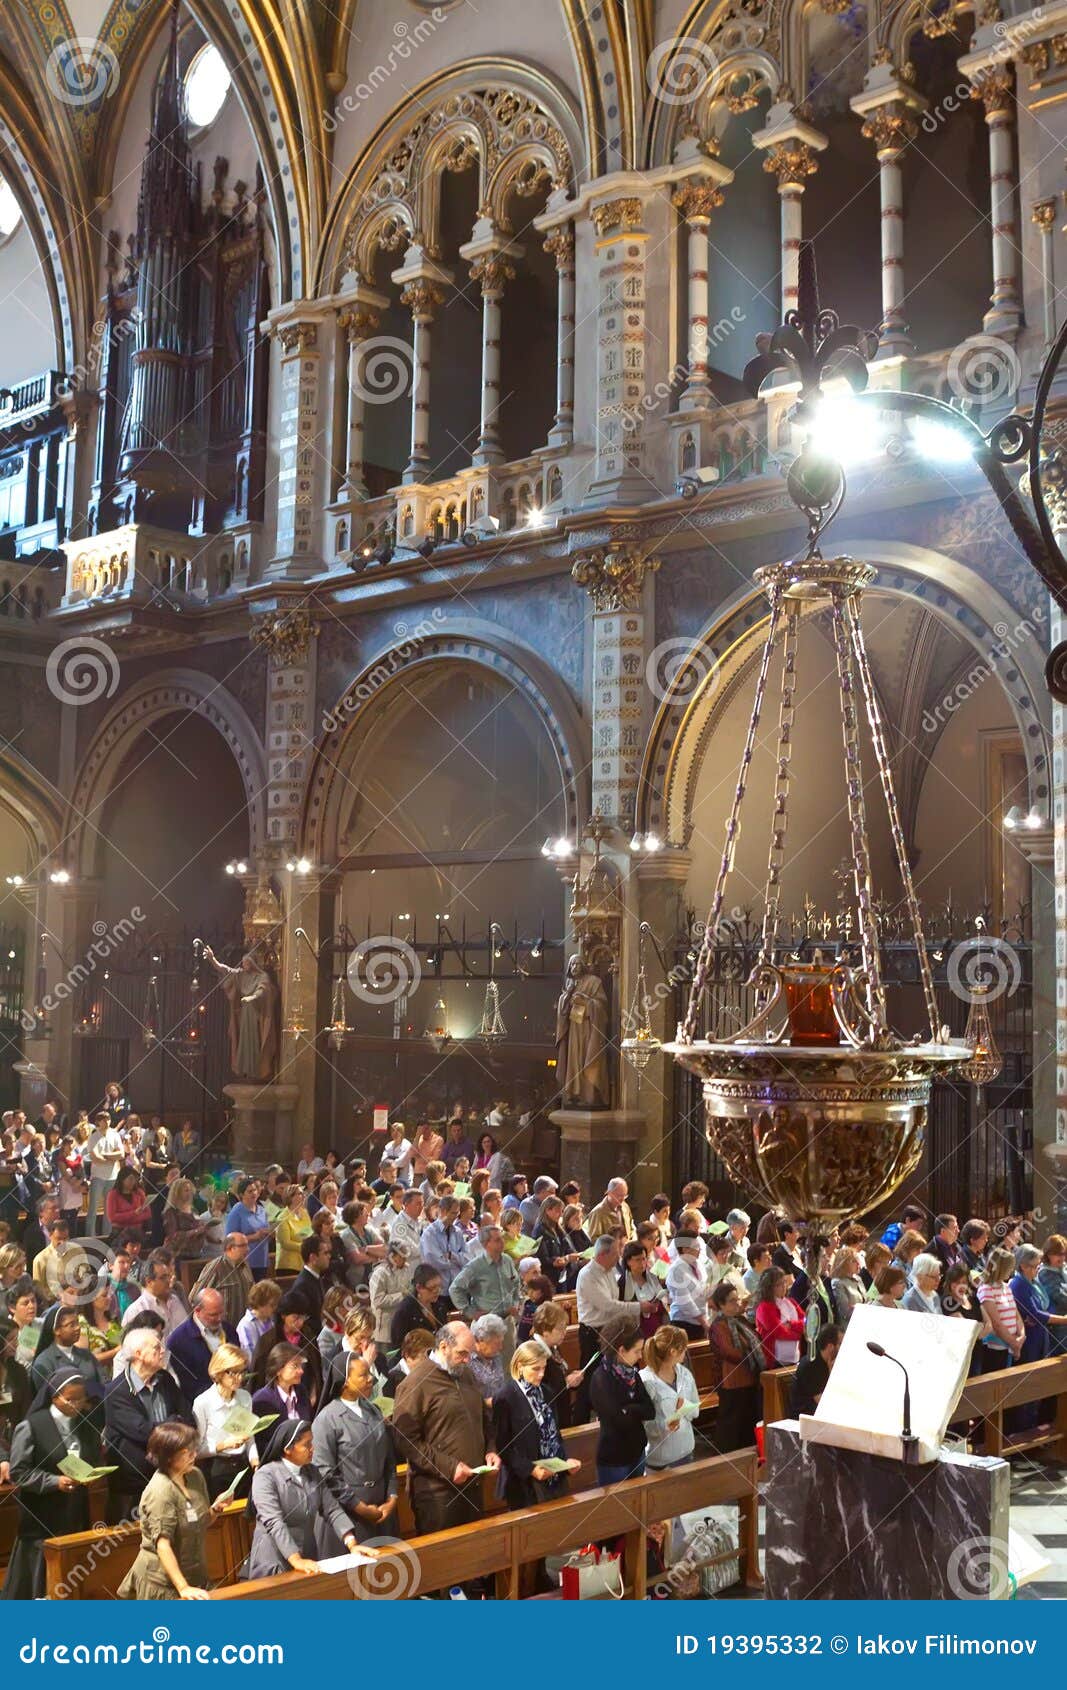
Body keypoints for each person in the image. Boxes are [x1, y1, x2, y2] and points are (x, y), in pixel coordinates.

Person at [393, 1321, 500, 1535]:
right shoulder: (415, 1384)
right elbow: (405, 1440)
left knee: (477, 1558)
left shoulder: (466, 1374)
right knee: (445, 1563)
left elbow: (482, 1417)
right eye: (462, 1353)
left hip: (472, 1485)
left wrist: (490, 1448)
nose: (467, 1359)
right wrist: (450, 1467)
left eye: (469, 1354)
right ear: (443, 1347)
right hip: (437, 1495)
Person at [2, 1369, 101, 1599]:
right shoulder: (31, 1426)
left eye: (81, 1398)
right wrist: (54, 1481)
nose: (77, 1404)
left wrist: (91, 1474)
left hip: (75, 1512)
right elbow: (19, 1472)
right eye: (71, 1399)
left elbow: (93, 1457)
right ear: (54, 1397)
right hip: (42, 1517)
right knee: (41, 1584)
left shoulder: (84, 1425)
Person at [243, 1419, 359, 1578]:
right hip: (273, 1560)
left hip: (307, 1555)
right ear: (288, 1449)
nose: (312, 1448)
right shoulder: (265, 1476)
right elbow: (274, 1522)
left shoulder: (312, 1472)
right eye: (307, 1444)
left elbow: (332, 1509)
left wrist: (352, 1544)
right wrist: (296, 1559)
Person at [105, 1329, 194, 1521]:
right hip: (134, 1488)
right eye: (156, 1348)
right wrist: (173, 1423)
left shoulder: (165, 1380)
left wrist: (173, 1424)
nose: (163, 1351)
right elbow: (143, 1432)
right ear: (138, 1354)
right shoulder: (116, 1392)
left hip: (171, 1475)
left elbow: (187, 1417)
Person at [312, 1355, 398, 1540]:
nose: (370, 1379)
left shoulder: (373, 1411)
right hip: (348, 1514)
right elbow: (325, 1473)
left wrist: (392, 1498)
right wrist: (359, 1507)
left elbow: (389, 1460)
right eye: (363, 1375)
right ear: (345, 1381)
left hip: (382, 1510)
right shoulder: (327, 1419)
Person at [492, 1340, 578, 1510]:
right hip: (525, 1484)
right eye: (535, 1369)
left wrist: (565, 1463)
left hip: (554, 1478)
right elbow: (503, 1446)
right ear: (520, 1366)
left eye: (543, 1368)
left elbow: (554, 1434)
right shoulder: (505, 1397)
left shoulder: (546, 1392)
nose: (541, 1374)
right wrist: (531, 1469)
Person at [589, 1312, 656, 1485]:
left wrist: (629, 1409)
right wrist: (634, 1409)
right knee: (616, 1509)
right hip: (614, 1458)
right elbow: (618, 1420)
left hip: (637, 1450)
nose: (641, 1356)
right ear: (621, 1350)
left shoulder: (633, 1374)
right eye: (637, 1351)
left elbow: (650, 1410)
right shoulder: (601, 1378)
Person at [192, 1341, 260, 1498]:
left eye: (242, 1372)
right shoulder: (203, 1403)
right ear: (219, 1372)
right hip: (216, 1470)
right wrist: (223, 1445)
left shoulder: (245, 1398)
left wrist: (255, 1461)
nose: (239, 1378)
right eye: (233, 1373)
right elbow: (196, 1450)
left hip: (243, 1467)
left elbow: (249, 1437)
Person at [707, 1282, 764, 1450]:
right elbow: (728, 1351)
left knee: (748, 1419)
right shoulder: (718, 1326)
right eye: (732, 1301)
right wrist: (750, 1354)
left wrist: (754, 1351)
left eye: (738, 1300)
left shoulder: (741, 1321)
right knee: (731, 1422)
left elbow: (757, 1339)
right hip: (731, 1379)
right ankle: (728, 1456)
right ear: (721, 1305)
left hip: (749, 1376)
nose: (737, 1303)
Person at [449, 1223, 523, 1354]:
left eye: (502, 1238)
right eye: (497, 1240)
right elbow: (455, 1289)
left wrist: (516, 1303)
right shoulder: (475, 1266)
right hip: (486, 1326)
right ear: (485, 1244)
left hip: (507, 1323)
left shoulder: (507, 1260)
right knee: (486, 1366)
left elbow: (516, 1283)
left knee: (508, 1366)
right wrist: (471, 1312)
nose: (502, 1242)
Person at [641, 1323, 699, 1471]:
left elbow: (696, 1409)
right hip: (661, 1458)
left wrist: (684, 1405)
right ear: (673, 1351)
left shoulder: (684, 1373)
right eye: (683, 1348)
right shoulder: (646, 1380)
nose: (686, 1350)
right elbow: (644, 1424)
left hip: (686, 1451)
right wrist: (666, 1425)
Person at [168, 1288, 240, 1402]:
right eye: (213, 1315)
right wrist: (221, 1390)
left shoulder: (229, 1331)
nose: (219, 1318)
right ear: (197, 1311)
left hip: (234, 1398)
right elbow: (188, 1386)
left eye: (221, 1312)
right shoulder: (178, 1341)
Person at [30, 1303, 106, 1398]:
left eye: (77, 1323)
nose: (78, 1328)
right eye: (71, 1325)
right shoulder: (44, 1361)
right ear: (56, 1330)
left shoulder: (86, 1355)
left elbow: (104, 1382)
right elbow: (48, 1397)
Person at [190, 1231, 254, 1330]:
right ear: (231, 1248)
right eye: (243, 1246)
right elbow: (195, 1298)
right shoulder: (216, 1267)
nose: (248, 1249)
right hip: (221, 1329)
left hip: (242, 1328)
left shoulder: (245, 1266)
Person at [575, 1233, 621, 1368]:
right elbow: (605, 1304)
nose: (618, 1257)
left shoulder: (611, 1271)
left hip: (608, 1329)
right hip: (593, 1333)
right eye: (614, 1254)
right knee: (591, 1373)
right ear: (602, 1255)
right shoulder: (587, 1275)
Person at [976, 1247, 1024, 1371]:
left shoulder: (1006, 1287)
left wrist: (1021, 1337)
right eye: (1009, 1267)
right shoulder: (986, 1289)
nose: (1011, 1270)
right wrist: (1015, 1344)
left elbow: (1016, 1315)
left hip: (1010, 1347)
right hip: (995, 1349)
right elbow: (996, 1324)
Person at [121, 1251, 187, 1340]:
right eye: (163, 1278)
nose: (168, 1280)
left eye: (168, 1276)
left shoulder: (174, 1300)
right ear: (149, 1281)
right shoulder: (137, 1310)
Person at [754, 1266, 805, 1368]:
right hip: (775, 1361)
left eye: (784, 1282)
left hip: (795, 1357)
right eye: (779, 1284)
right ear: (769, 1287)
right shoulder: (764, 1307)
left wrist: (790, 1324)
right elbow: (779, 1332)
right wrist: (800, 1333)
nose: (783, 1286)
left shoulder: (791, 1302)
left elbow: (806, 1322)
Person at [789, 1323, 843, 1417]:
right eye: (840, 1344)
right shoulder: (809, 1365)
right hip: (805, 1417)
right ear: (830, 1347)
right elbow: (823, 1403)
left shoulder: (832, 1362)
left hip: (819, 1415)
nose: (843, 1347)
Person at [619, 1239, 670, 1337]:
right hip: (637, 1334)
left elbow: (662, 1310)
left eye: (644, 1259)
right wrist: (639, 1308)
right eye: (637, 1260)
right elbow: (621, 1312)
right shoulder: (622, 1285)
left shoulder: (652, 1278)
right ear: (628, 1261)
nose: (642, 1263)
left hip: (659, 1331)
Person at [252, 1342, 313, 1423]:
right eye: (295, 1366)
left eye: (301, 1366)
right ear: (278, 1369)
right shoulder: (262, 1400)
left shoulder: (301, 1392)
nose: (301, 1371)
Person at [87, 1112, 125, 1238]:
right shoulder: (94, 1136)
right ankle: (90, 1236)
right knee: (93, 1208)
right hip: (98, 1176)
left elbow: (121, 1154)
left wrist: (105, 1155)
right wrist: (111, 1158)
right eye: (104, 1120)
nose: (107, 1122)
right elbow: (94, 1157)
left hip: (112, 1176)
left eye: (108, 1119)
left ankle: (106, 1235)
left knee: (108, 1209)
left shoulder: (115, 1135)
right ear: (99, 1122)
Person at [390, 1263, 443, 1350]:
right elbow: (398, 1347)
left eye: (439, 1286)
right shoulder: (404, 1311)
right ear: (419, 1288)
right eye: (432, 1288)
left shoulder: (439, 1305)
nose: (437, 1291)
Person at [225, 1177, 271, 1277]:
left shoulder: (261, 1210)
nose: (254, 1193)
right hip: (245, 1261)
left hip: (262, 1259)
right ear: (242, 1194)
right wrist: (254, 1236)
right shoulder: (237, 1211)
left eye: (255, 1190)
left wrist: (270, 1233)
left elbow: (266, 1229)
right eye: (250, 1191)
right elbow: (229, 1239)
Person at [666, 1232, 708, 1339]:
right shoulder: (676, 1270)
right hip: (684, 1323)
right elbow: (685, 1302)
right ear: (685, 1249)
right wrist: (704, 1323)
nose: (699, 1250)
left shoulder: (698, 1265)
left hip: (701, 1320)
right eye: (696, 1247)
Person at [162, 1176, 210, 1259]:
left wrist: (203, 1229)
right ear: (177, 1193)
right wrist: (195, 1231)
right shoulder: (171, 1212)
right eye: (186, 1190)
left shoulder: (193, 1210)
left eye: (190, 1190)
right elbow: (173, 1235)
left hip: (195, 1253)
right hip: (177, 1255)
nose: (189, 1193)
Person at [237, 1278, 282, 1363]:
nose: (275, 1308)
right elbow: (251, 1358)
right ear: (260, 1303)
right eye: (272, 1305)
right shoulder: (246, 1325)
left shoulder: (271, 1322)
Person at [468, 1312, 508, 1401]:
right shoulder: (467, 1362)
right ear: (481, 1340)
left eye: (501, 1342)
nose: (501, 1347)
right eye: (497, 1344)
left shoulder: (496, 1356)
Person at [1038, 1234, 1067, 1351]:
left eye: (1064, 1253)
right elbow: (1060, 1297)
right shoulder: (1045, 1273)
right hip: (1058, 1327)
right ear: (1048, 1254)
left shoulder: (1063, 1270)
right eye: (1057, 1254)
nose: (1062, 1258)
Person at [586, 1178, 636, 1243]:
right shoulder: (598, 1212)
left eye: (625, 1196)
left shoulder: (625, 1206)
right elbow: (594, 1239)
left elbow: (631, 1227)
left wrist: (632, 1241)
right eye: (619, 1196)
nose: (622, 1199)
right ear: (609, 1193)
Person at [830, 1246, 865, 1326]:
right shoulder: (837, 1283)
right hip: (848, 1328)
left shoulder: (858, 1279)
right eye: (853, 1261)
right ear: (843, 1263)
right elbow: (845, 1311)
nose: (858, 1263)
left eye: (857, 1260)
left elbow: (867, 1300)